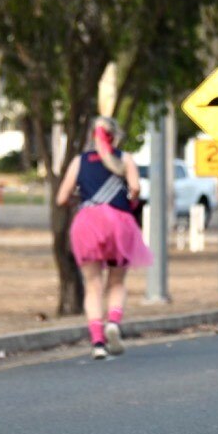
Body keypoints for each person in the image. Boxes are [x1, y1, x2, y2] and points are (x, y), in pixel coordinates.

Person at [55, 117, 152, 360]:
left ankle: (97, 342)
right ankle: (114, 323)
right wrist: (128, 199)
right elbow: (136, 189)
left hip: (88, 224)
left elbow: (61, 198)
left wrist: (81, 201)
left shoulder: (79, 161)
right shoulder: (125, 159)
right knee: (117, 282)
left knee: (93, 285)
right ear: (116, 137)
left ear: (92, 136)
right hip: (119, 223)